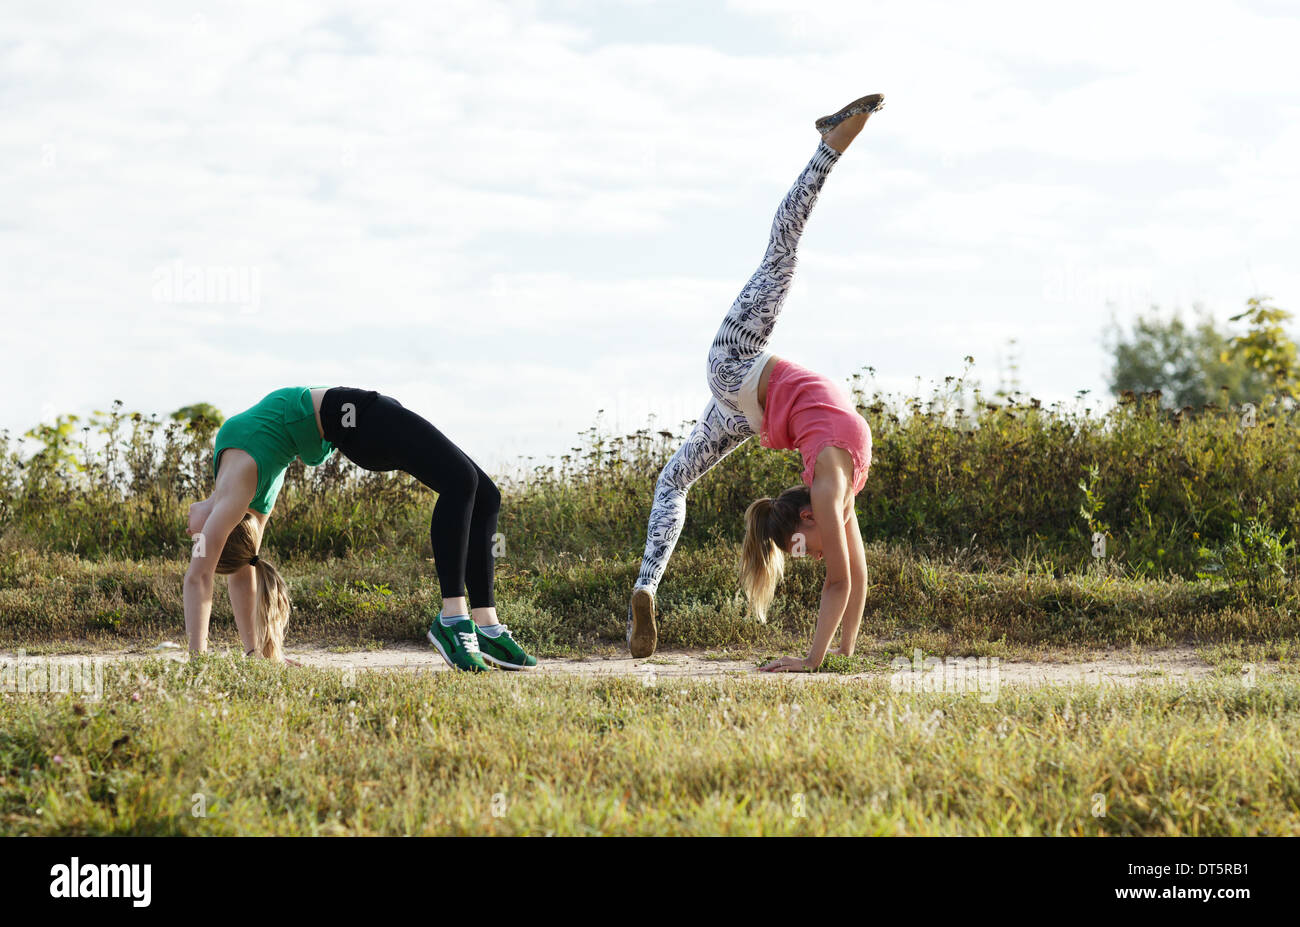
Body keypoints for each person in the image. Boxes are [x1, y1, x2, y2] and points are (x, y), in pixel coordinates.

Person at [628, 94, 883, 672]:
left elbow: (854, 581)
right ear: (808, 518)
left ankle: (647, 584)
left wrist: (843, 656)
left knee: (673, 482)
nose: (811, 557)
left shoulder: (834, 492)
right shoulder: (827, 490)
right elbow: (840, 585)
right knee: (782, 253)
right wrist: (812, 664)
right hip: (739, 363)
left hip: (745, 409)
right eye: (803, 550)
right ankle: (827, 148)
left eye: (799, 551)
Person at [183, 386, 535, 672]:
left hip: (355, 422)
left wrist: (254, 654)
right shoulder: (237, 491)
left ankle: (485, 624)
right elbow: (201, 576)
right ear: (222, 529)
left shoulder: (241, 490)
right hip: (354, 417)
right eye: (202, 539)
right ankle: (453, 618)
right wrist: (198, 661)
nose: (191, 536)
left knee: (486, 495)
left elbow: (246, 569)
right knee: (460, 483)